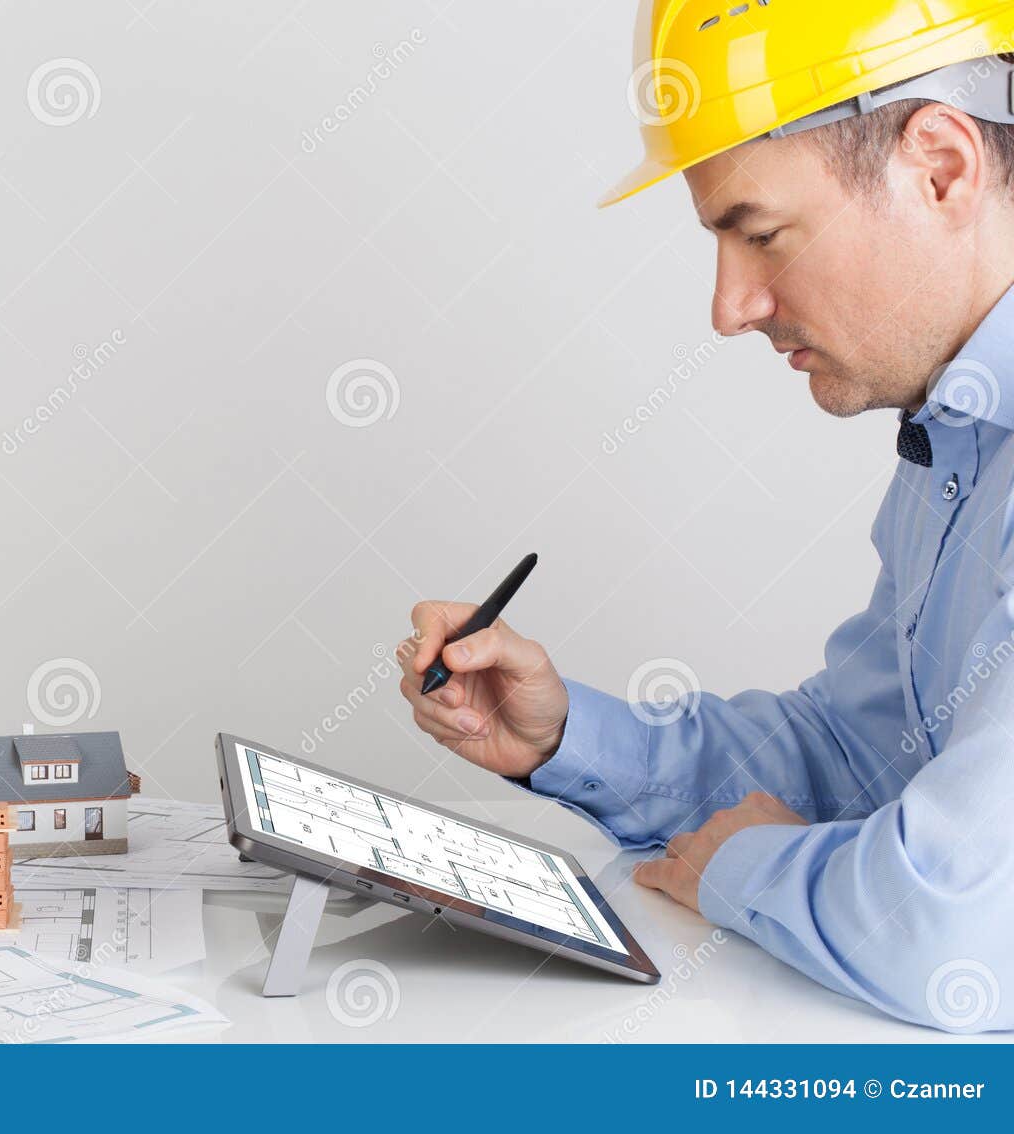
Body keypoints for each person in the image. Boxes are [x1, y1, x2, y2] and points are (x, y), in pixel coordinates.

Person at [401, 2, 1014, 1032]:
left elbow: (967, 929)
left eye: (758, 233)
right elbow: (864, 758)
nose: (727, 308)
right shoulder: (956, 439)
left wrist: (741, 865)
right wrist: (568, 736)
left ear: (940, 169)